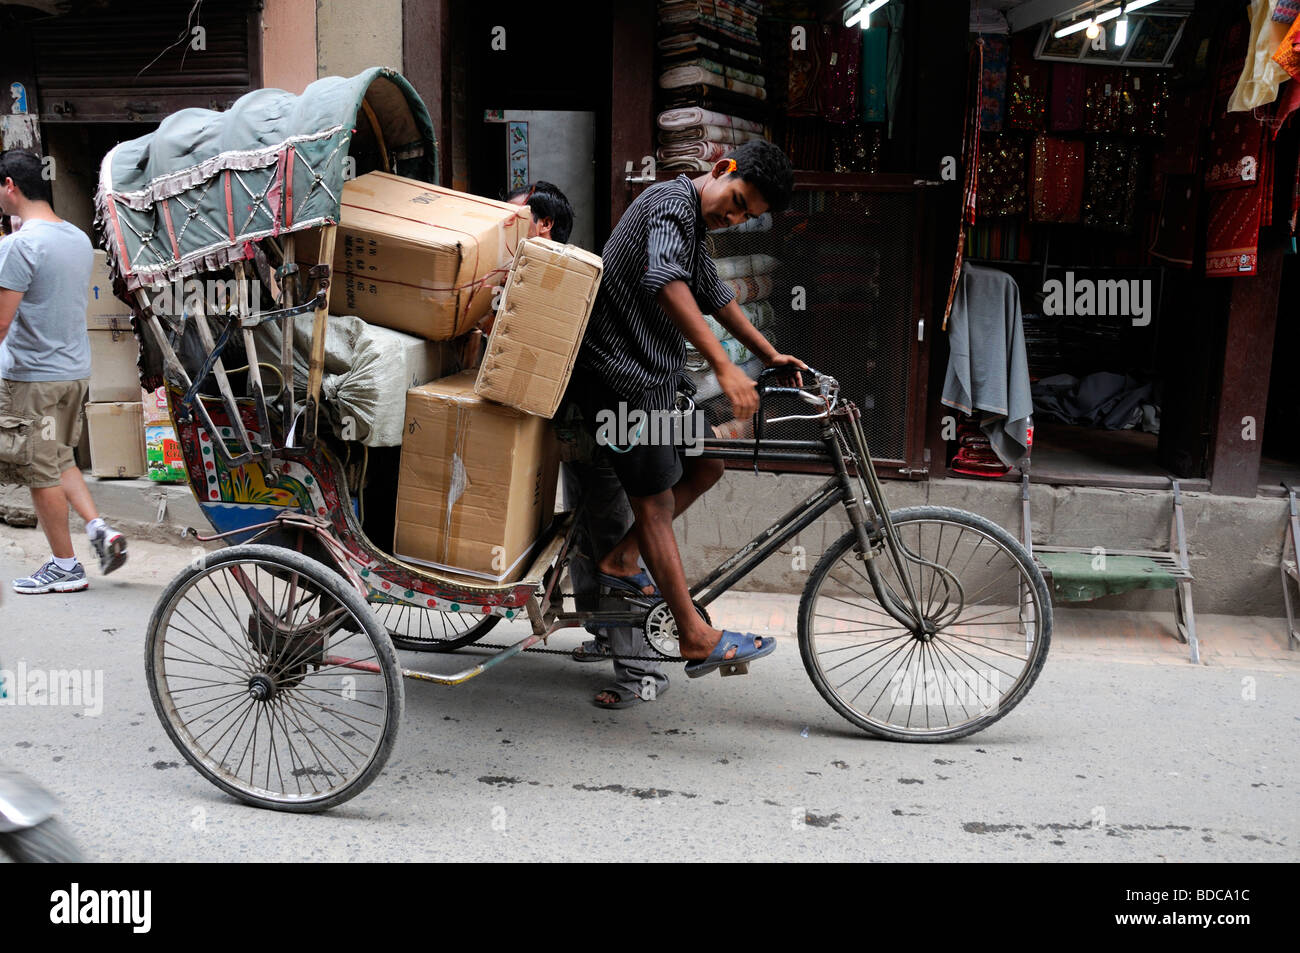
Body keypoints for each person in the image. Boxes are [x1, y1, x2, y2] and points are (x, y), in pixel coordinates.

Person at [563, 139, 805, 679]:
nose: (734, 216)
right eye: (738, 200)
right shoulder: (669, 204)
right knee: (652, 505)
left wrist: (768, 353)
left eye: (748, 215)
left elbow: (716, 292)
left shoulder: (693, 223)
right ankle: (694, 636)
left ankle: (623, 560)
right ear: (722, 170)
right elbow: (667, 282)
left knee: (709, 460)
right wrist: (725, 368)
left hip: (656, 376)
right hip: (620, 380)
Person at [498, 181, 668, 708]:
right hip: (576, 429)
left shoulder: (563, 275)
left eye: (515, 217)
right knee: (584, 531)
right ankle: (601, 632)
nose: (504, 226)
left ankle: (641, 669)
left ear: (543, 224)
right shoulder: (536, 273)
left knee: (613, 536)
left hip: (606, 427)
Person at [0, 150, 127, 594]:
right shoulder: (74, 236)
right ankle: (100, 532)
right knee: (59, 456)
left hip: (33, 378)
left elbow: (1, 321)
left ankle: (64, 566)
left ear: (10, 185)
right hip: (73, 373)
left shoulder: (19, 246)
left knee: (40, 472)